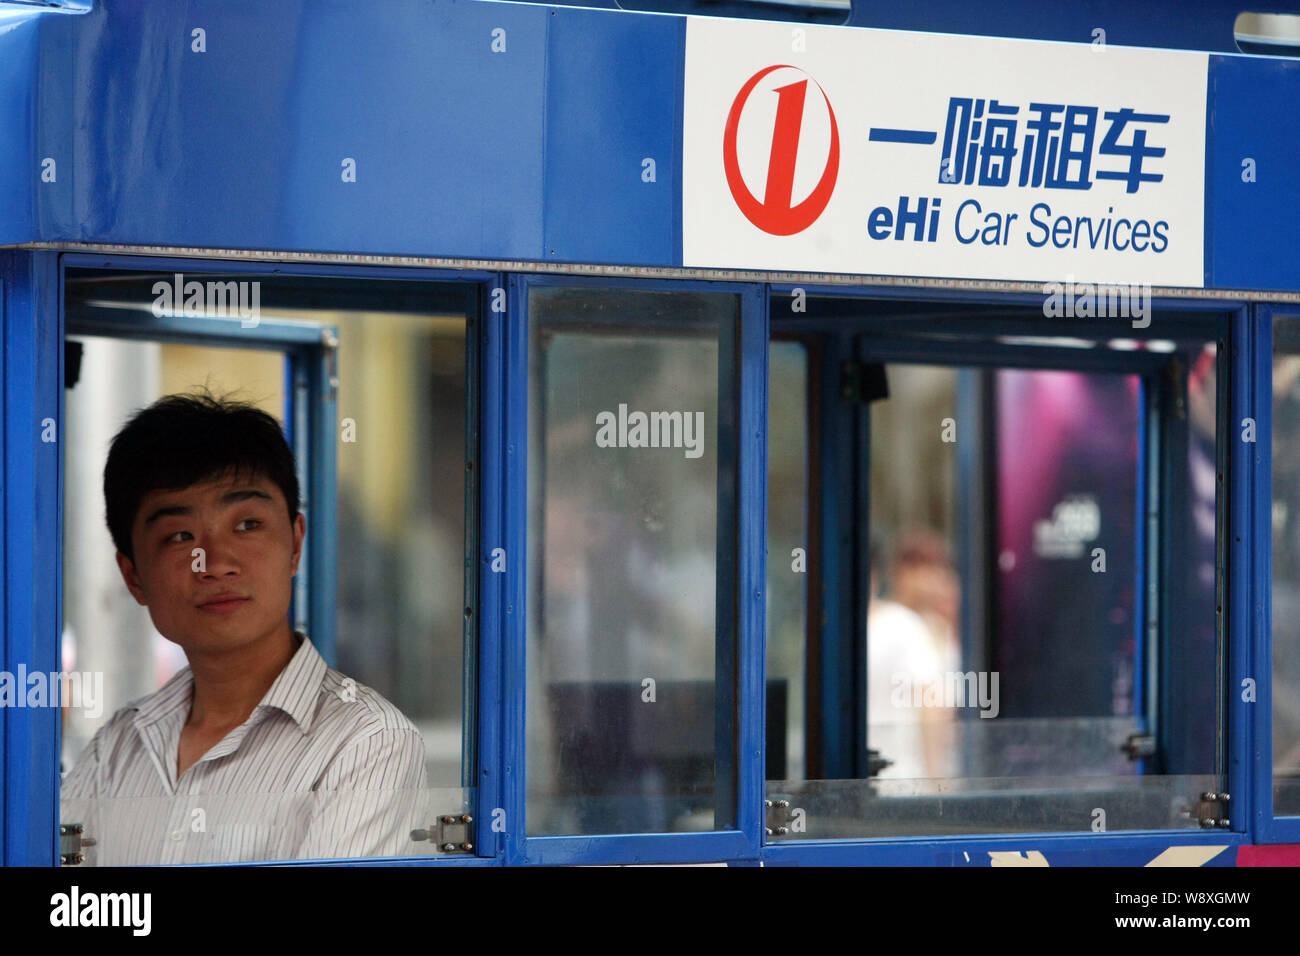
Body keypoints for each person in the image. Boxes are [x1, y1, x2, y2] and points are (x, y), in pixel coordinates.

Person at [59, 392, 426, 864]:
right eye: (179, 536)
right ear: (134, 576)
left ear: (295, 544)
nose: (214, 562)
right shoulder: (118, 747)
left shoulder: (367, 744)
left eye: (247, 524)